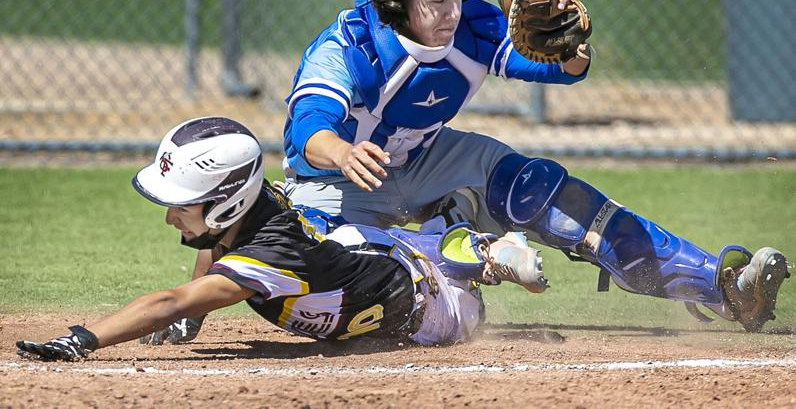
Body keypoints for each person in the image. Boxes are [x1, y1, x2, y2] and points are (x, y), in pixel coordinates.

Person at [276, 0, 790, 332]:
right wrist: (342, 152)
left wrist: (568, 49)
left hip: (424, 159)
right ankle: (459, 246)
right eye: (436, 1)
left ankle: (723, 289)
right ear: (397, 1)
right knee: (343, 257)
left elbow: (566, 71)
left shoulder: (472, 28)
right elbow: (309, 129)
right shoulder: (349, 48)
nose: (452, 11)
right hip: (334, 184)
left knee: (538, 190)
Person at [16, 117, 547, 361]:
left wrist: (85, 339)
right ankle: (448, 229)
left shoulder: (267, 256)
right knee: (367, 243)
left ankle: (471, 243)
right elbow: (213, 244)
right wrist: (193, 319)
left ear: (225, 201)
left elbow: (169, 301)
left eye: (181, 204)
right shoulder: (243, 214)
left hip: (429, 308)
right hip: (366, 252)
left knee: (459, 294)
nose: (170, 217)